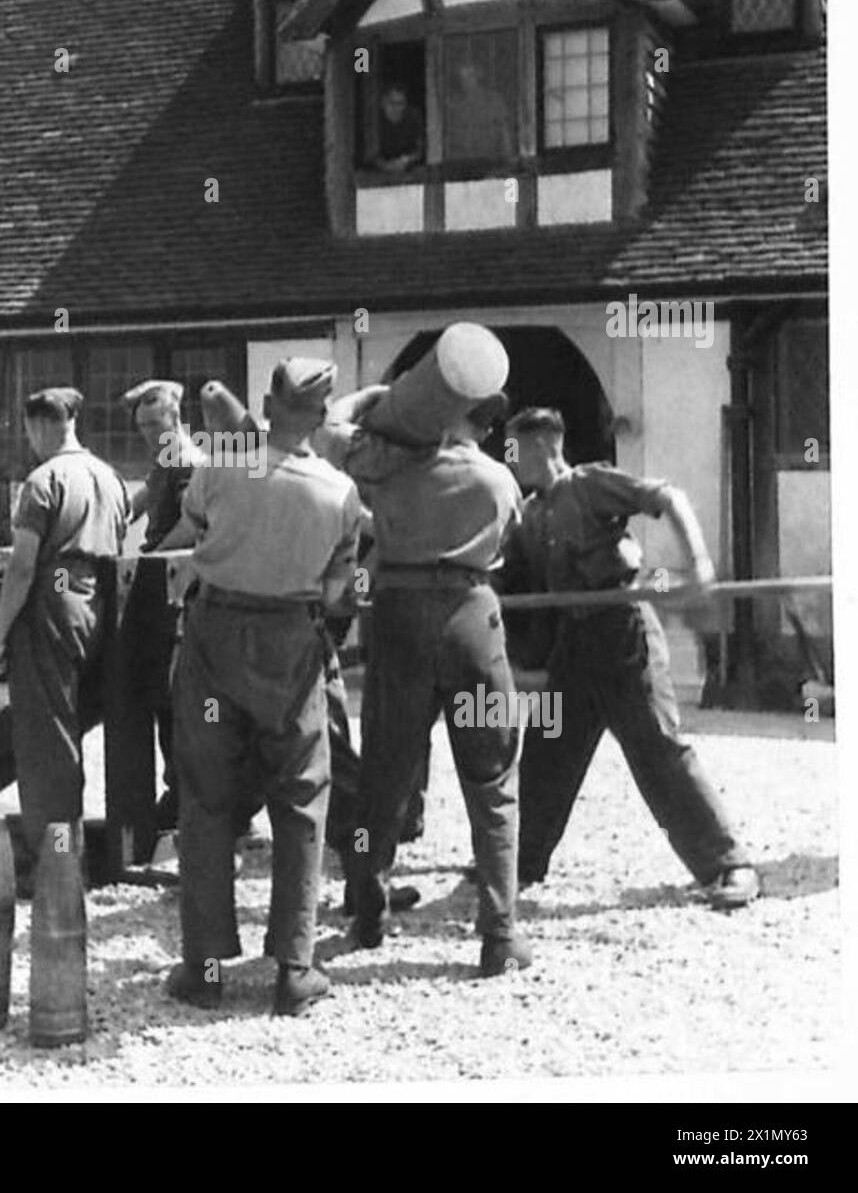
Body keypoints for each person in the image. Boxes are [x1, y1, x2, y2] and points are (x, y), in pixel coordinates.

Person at [165, 359, 362, 1017]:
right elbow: (338, 593)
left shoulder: (220, 466)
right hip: (291, 644)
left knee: (207, 800)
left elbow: (193, 533)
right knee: (301, 802)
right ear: (319, 416)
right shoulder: (339, 494)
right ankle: (293, 970)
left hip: (215, 633)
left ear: (268, 405)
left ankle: (206, 968)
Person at [503, 407, 759, 909]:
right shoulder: (532, 515)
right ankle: (520, 862)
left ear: (542, 446)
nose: (508, 462)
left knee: (658, 750)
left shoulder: (590, 484)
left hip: (623, 631)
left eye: (513, 451)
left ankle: (729, 864)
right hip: (573, 646)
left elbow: (667, 497)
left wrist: (698, 563)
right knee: (547, 749)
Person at [318, 378, 532, 976]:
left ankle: (368, 908)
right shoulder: (501, 480)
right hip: (473, 618)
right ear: (487, 425)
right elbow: (511, 540)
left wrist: (375, 397)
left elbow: (328, 430)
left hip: (399, 617)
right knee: (492, 781)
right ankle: (499, 935)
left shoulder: (393, 471)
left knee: (384, 776)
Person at [0, 388, 130, 858]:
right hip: (98, 602)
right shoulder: (110, 477)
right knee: (74, 723)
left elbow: (23, 566)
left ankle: (57, 860)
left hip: (53, 598)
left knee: (46, 735)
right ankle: (80, 845)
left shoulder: (43, 480)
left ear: (39, 425)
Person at [119, 379, 206, 832]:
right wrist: (114, 512)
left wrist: (149, 561)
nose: (150, 433)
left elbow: (193, 525)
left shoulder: (187, 459)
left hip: (180, 590)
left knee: (175, 698)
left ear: (176, 418)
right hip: (162, 585)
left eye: (156, 423)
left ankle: (182, 799)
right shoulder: (166, 459)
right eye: (142, 427)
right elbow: (143, 499)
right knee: (159, 694)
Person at [368, 83, 424, 173]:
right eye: (391, 103)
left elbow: (421, 149)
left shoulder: (413, 118)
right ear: (383, 103)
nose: (396, 108)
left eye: (400, 104)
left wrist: (406, 160)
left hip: (408, 170)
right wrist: (386, 166)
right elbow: (369, 154)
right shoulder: (373, 121)